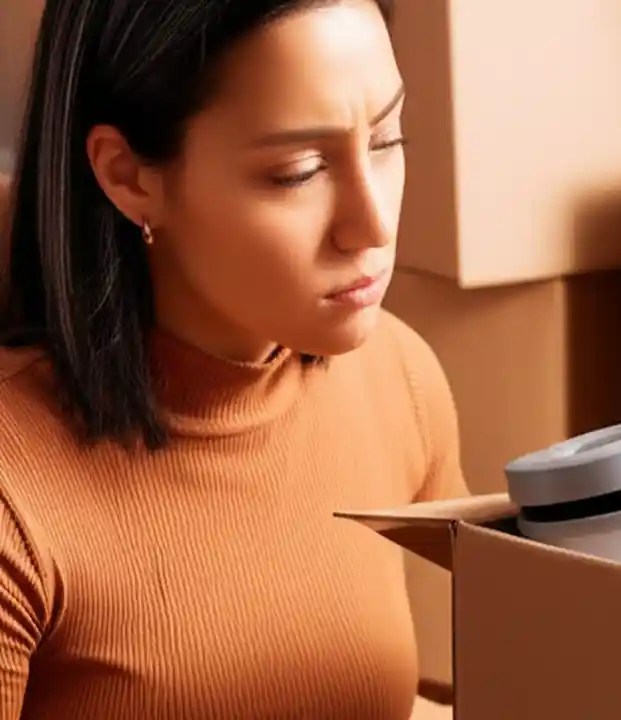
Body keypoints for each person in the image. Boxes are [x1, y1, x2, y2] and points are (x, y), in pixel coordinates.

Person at [0, 1, 467, 717]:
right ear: (128, 176)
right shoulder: (16, 491)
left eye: (385, 138)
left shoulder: (398, 379)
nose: (371, 224)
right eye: (298, 171)